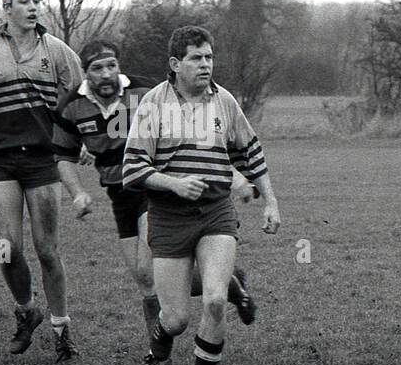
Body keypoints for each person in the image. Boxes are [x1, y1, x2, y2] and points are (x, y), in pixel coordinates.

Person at [54, 39, 257, 338]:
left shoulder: (146, 93)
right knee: (144, 278)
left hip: (156, 188)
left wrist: (237, 176)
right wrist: (78, 193)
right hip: (118, 193)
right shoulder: (72, 106)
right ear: (85, 72)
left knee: (148, 270)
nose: (107, 73)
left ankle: (158, 353)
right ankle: (231, 283)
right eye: (97, 68)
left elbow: (196, 127)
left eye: (112, 66)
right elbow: (62, 156)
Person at [122, 26, 281, 365]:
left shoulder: (223, 100)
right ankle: (160, 339)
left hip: (215, 213)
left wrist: (271, 201)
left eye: (209, 57)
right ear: (176, 64)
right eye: (196, 58)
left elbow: (251, 151)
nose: (205, 64)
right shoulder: (152, 105)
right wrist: (173, 184)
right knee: (175, 318)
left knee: (212, 299)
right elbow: (132, 169)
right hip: (168, 217)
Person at [0, 0, 84, 361]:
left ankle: (62, 331)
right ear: (6, 7)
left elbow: (83, 97)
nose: (33, 7)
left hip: (42, 161)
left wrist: (82, 141)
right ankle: (27, 310)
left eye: (37, 1)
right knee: (5, 249)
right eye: (24, 1)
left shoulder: (56, 50)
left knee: (47, 251)